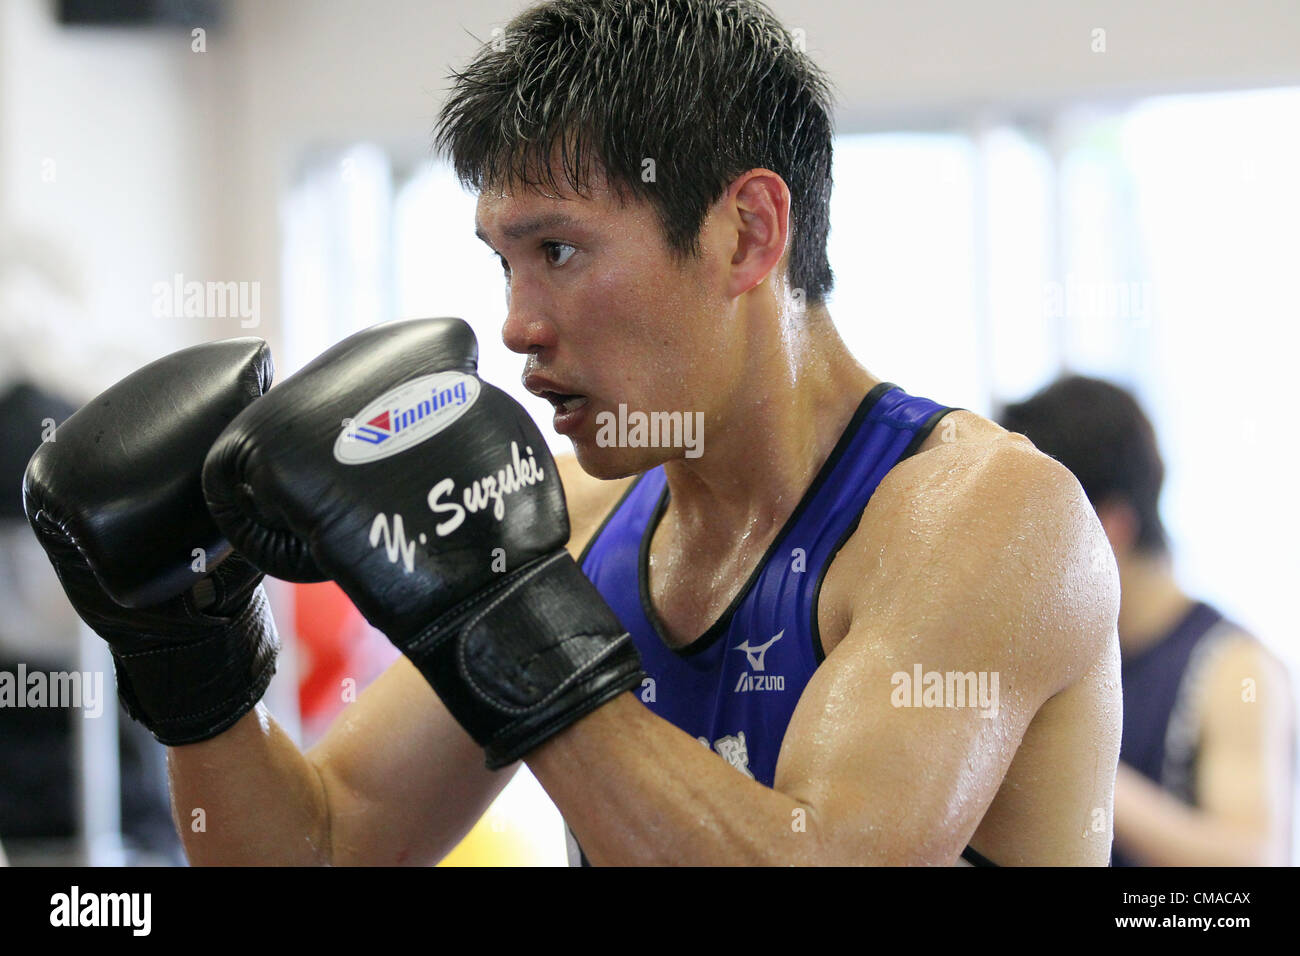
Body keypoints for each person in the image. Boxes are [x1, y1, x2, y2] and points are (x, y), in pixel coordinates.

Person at [28, 0, 1120, 866]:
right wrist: (191, 657)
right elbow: (322, 844)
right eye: (502, 260)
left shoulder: (987, 521)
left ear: (746, 233)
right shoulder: (578, 528)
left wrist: (509, 622)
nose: (515, 322)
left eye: (558, 249)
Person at [999, 375, 1294, 866]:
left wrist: (1078, 764)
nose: (1014, 556)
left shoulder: (1235, 669)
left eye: (1027, 528)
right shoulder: (1051, 650)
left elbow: (1255, 859)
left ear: (1108, 527)